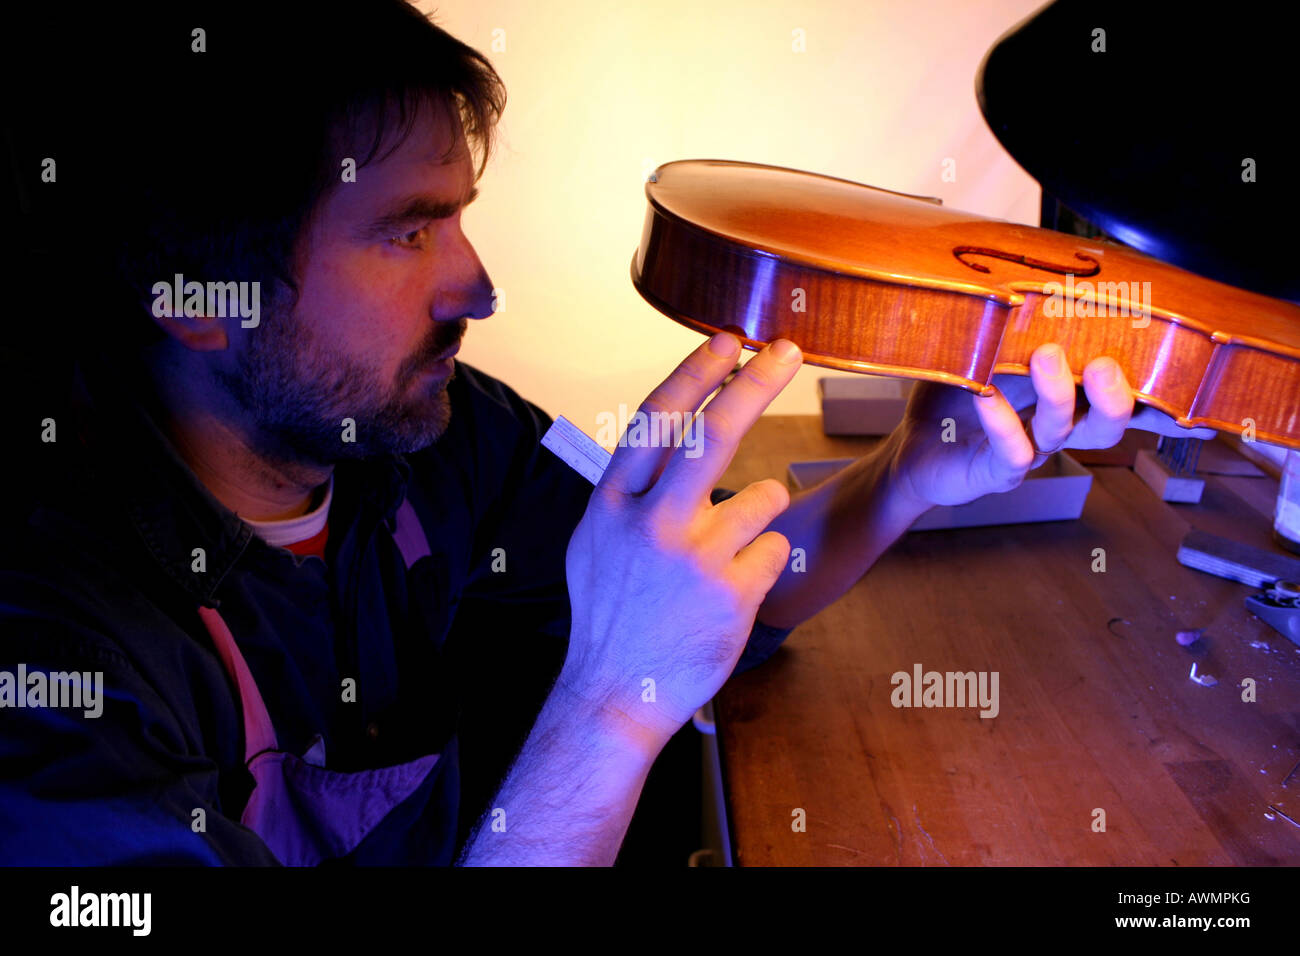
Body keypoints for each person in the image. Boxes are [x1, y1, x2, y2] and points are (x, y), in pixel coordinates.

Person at [0, 0, 1212, 865]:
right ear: (197, 302)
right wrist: (611, 711)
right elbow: (629, 670)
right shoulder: (53, 663)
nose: (478, 289)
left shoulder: (426, 436)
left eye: (458, 220)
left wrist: (911, 474)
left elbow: (711, 606)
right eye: (405, 231)